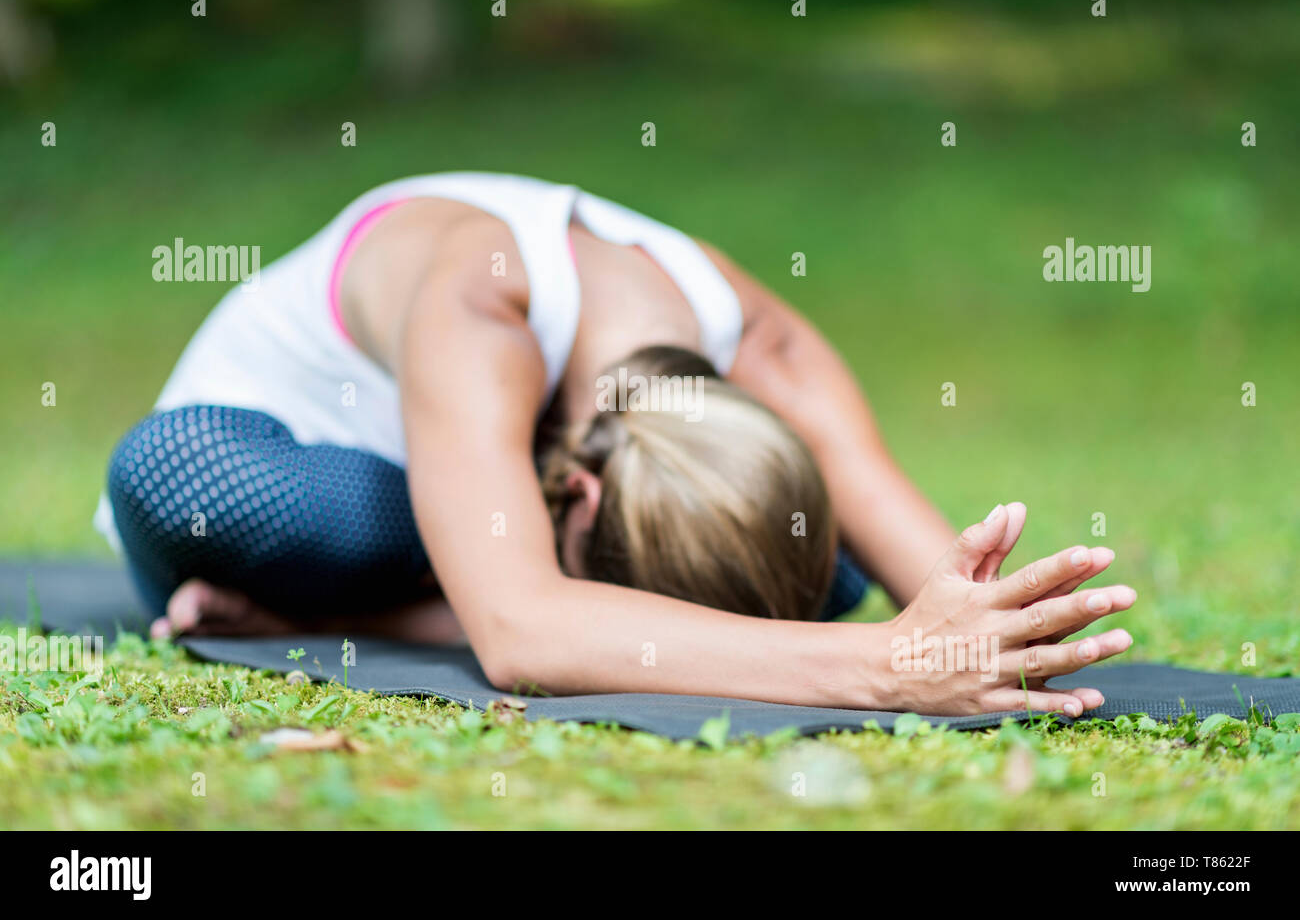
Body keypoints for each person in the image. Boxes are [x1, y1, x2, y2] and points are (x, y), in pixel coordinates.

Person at [99, 172, 1134, 716]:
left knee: (820, 569)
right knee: (197, 476)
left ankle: (366, 614)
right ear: (581, 499)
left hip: (476, 543)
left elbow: (936, 589)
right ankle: (376, 590)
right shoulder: (481, 297)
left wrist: (992, 623)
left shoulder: (758, 336)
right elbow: (516, 638)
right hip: (306, 489)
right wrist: (881, 666)